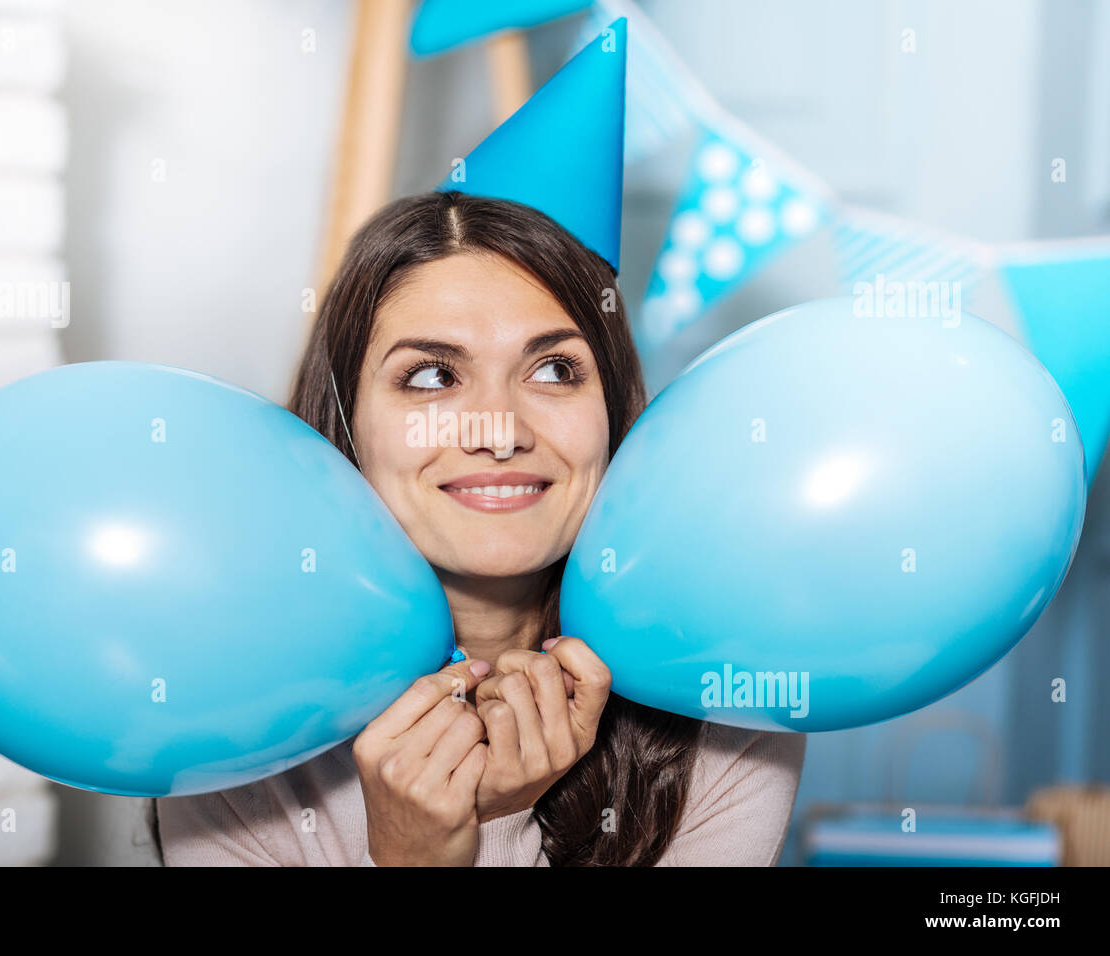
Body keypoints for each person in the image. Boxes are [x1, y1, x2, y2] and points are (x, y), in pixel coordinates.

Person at [156, 17, 805, 866]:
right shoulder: (228, 723)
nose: (499, 429)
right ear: (347, 423)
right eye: (432, 376)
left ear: (616, 414)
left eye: (554, 371)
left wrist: (496, 823)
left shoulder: (722, 713)